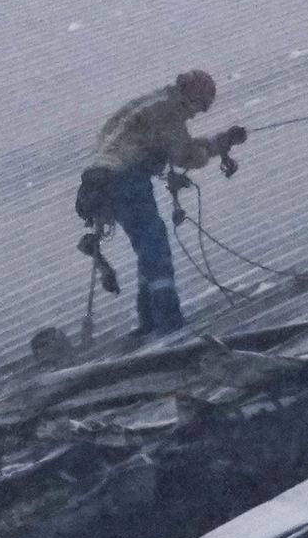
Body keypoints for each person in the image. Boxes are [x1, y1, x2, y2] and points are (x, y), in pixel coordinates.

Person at [74, 69, 246, 337]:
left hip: (103, 179)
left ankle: (149, 319)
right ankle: (168, 320)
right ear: (191, 96)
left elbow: (172, 143)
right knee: (155, 245)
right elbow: (184, 155)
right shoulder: (169, 112)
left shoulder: (154, 103)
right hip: (125, 179)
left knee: (148, 243)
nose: (196, 114)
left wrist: (215, 143)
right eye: (200, 106)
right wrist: (218, 146)